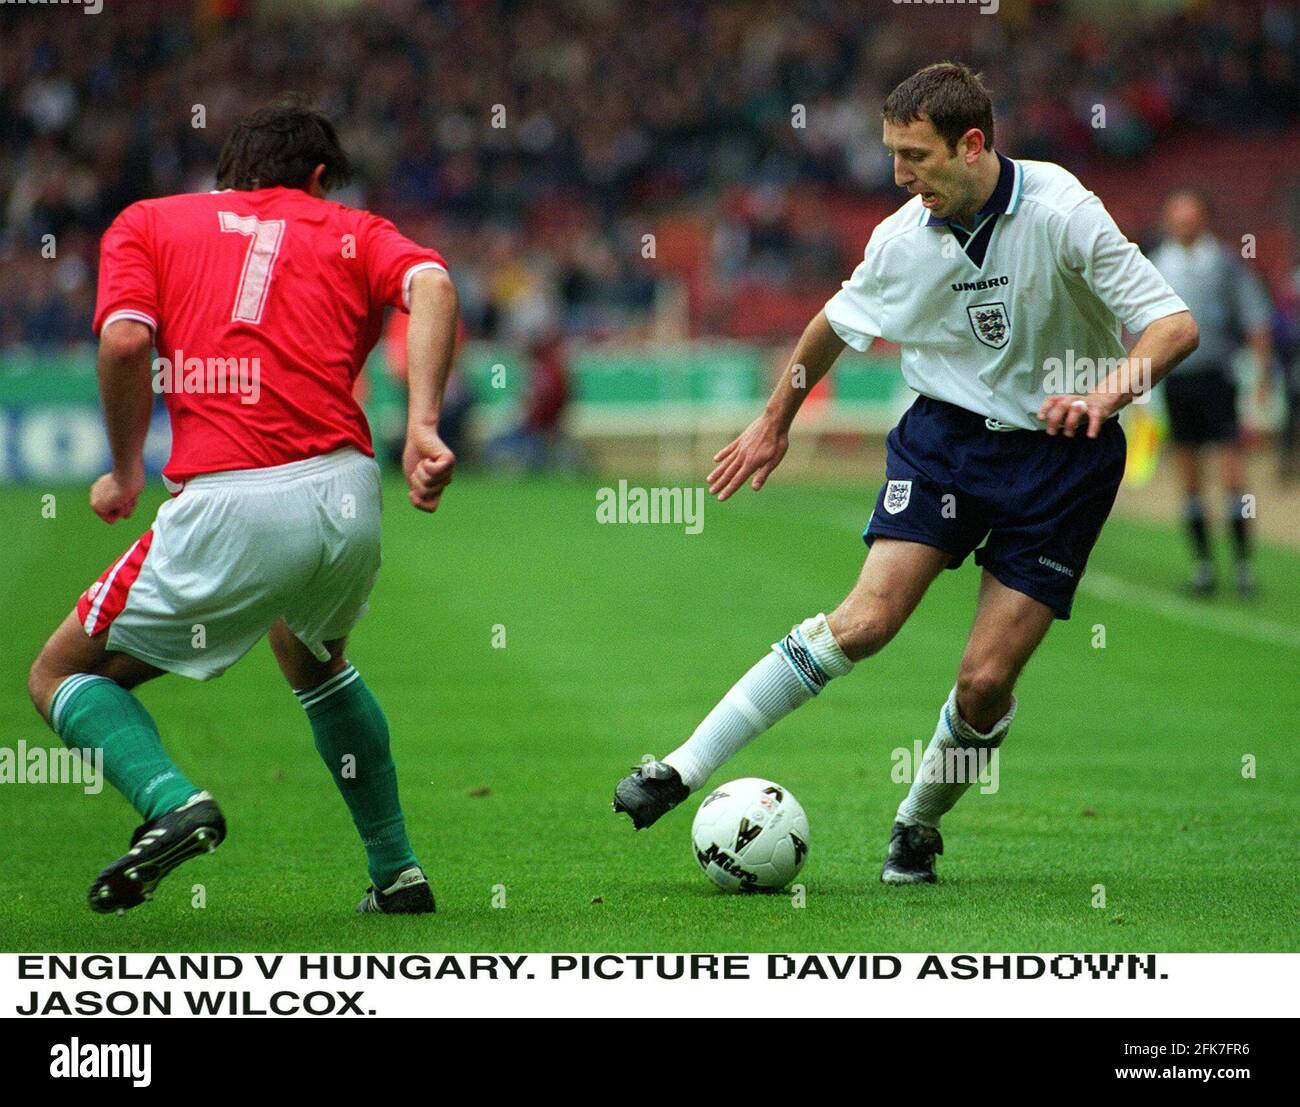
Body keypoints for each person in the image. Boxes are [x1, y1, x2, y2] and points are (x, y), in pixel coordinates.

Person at [613, 63, 1199, 884]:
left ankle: (917, 821)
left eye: (915, 155)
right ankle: (679, 766)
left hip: (1063, 459)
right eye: (893, 153)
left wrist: (1106, 392)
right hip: (947, 442)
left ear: (972, 144)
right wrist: (774, 419)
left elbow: (1173, 327)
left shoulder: (1063, 211)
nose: (899, 174)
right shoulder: (901, 238)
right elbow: (830, 326)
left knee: (984, 683)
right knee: (865, 621)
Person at [26, 95, 459, 915]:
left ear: (225, 173)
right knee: (314, 658)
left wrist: (122, 469)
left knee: (58, 673)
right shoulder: (355, 230)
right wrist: (425, 424)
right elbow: (433, 282)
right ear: (321, 177)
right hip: (347, 493)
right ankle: (397, 871)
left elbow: (124, 342)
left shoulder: (150, 222)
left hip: (232, 496)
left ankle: (170, 801)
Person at [1148, 190, 1275, 597]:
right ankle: (1203, 565)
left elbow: (1255, 320)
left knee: (1232, 473)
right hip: (1177, 381)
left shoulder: (1224, 263)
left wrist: (1260, 377)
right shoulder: (1156, 263)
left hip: (1218, 377)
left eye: (1189, 217)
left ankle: (1242, 565)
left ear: (1202, 219)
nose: (1183, 224)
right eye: (1176, 217)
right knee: (1188, 476)